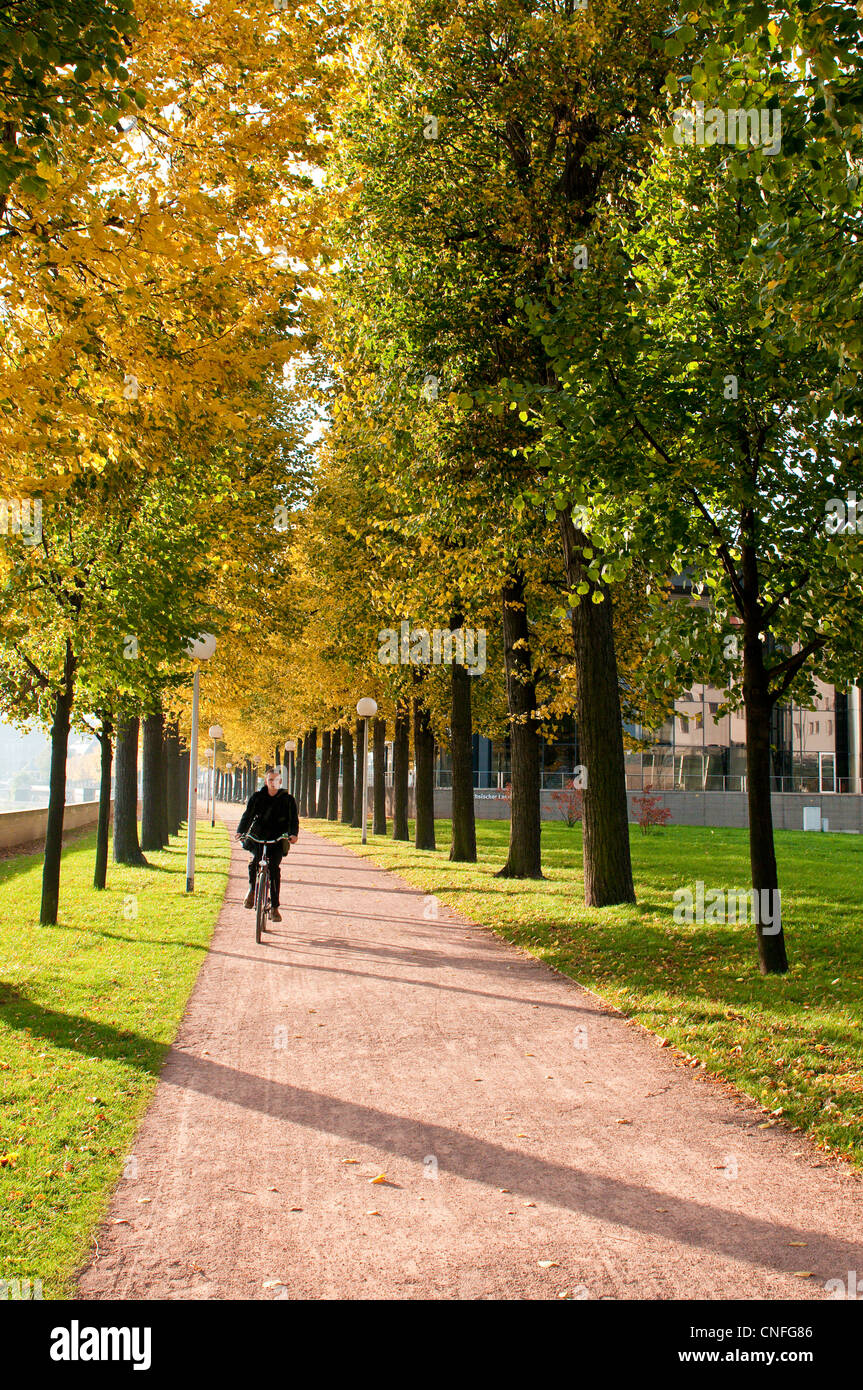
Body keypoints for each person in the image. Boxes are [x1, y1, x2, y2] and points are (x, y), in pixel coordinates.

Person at [236, 765, 299, 924]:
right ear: (265, 781)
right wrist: (241, 831)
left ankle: (275, 907)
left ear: (280, 782)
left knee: (274, 869)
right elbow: (248, 815)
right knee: (254, 862)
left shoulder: (288, 799)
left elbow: (293, 820)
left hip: (277, 838)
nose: (273, 783)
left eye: (276, 780)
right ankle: (252, 890)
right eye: (270, 780)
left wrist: (293, 834)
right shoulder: (257, 797)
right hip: (259, 836)